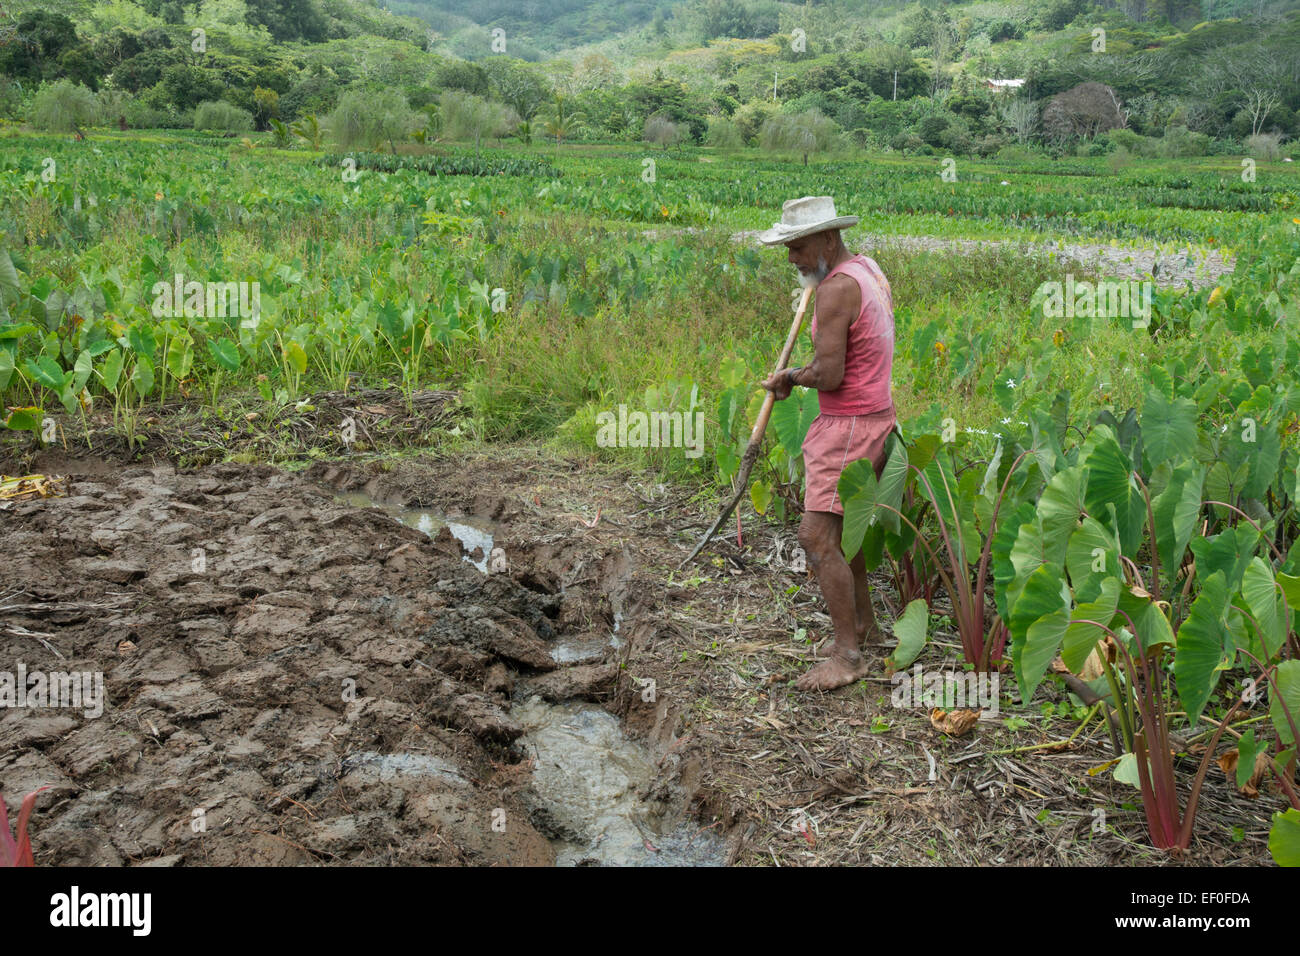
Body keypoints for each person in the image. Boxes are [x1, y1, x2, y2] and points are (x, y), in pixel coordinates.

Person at [757, 196, 897, 691]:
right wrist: (801, 373)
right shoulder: (867, 270)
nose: (791, 258)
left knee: (815, 538)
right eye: (788, 248)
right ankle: (864, 626)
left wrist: (792, 376)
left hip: (850, 425)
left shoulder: (835, 289)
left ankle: (847, 656)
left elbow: (831, 375)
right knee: (842, 534)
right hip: (875, 417)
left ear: (828, 238)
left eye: (798, 247)